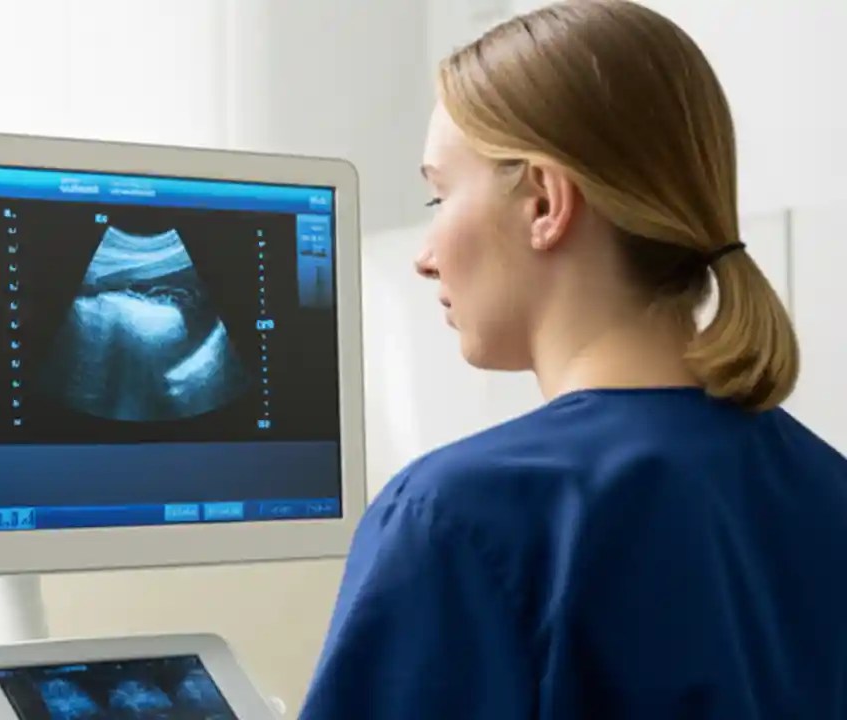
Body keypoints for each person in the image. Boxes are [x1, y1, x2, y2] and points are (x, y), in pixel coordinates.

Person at [300, 1, 847, 718]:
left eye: (439, 195)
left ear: (544, 203)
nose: (425, 257)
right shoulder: (825, 487)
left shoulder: (455, 516)